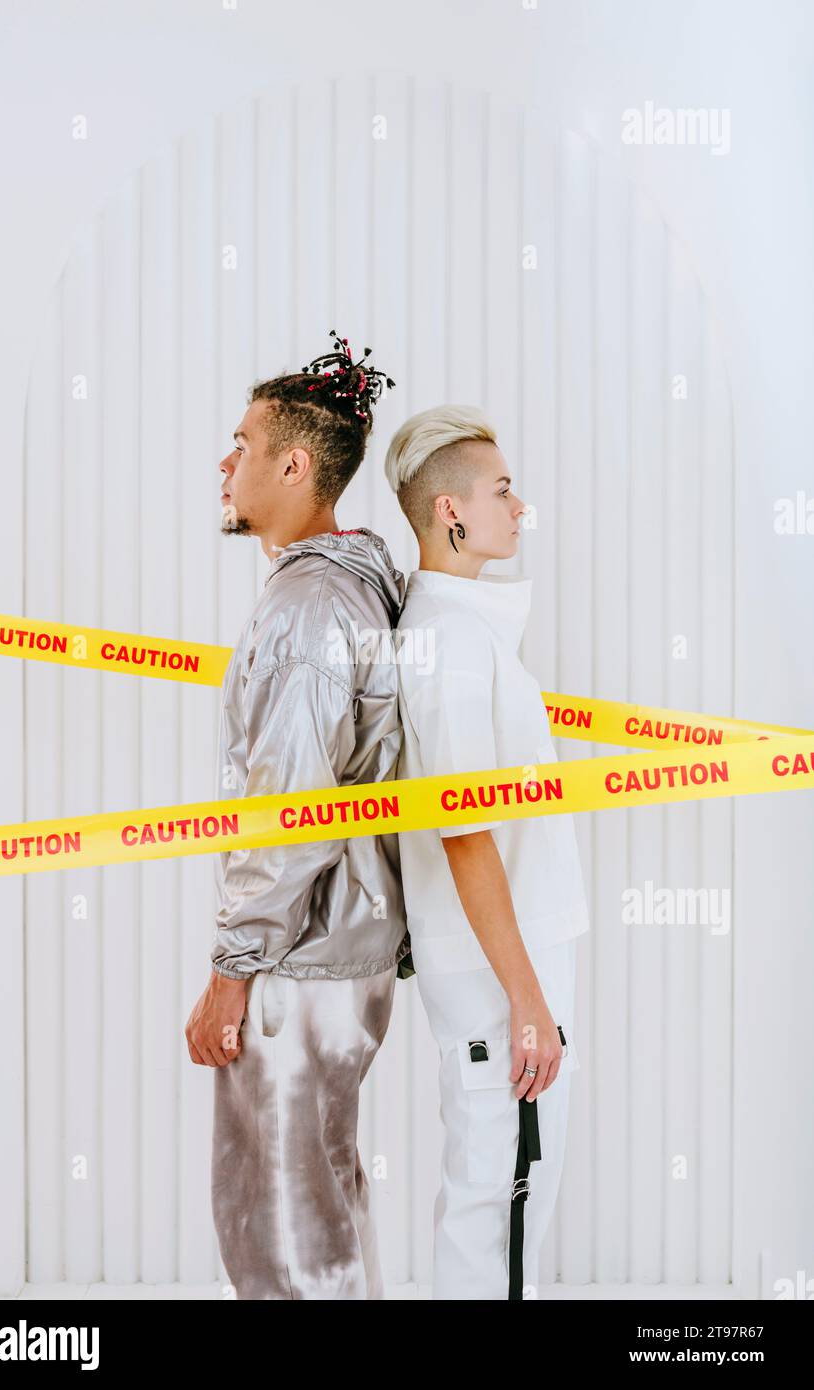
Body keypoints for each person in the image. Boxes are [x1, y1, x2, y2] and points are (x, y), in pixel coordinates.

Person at [185, 331, 411, 1300]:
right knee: (322, 1205)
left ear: (294, 462)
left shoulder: (308, 604)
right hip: (337, 949)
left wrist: (232, 969)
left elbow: (290, 810)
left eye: (241, 442)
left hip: (297, 960)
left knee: (280, 1232)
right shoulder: (354, 581)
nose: (224, 462)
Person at [384, 404, 590, 1300]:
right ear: (450, 514)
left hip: (507, 956)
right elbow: (463, 832)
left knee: (511, 1201)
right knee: (497, 1204)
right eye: (502, 490)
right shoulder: (452, 648)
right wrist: (527, 1000)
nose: (520, 506)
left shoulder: (466, 633)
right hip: (498, 967)